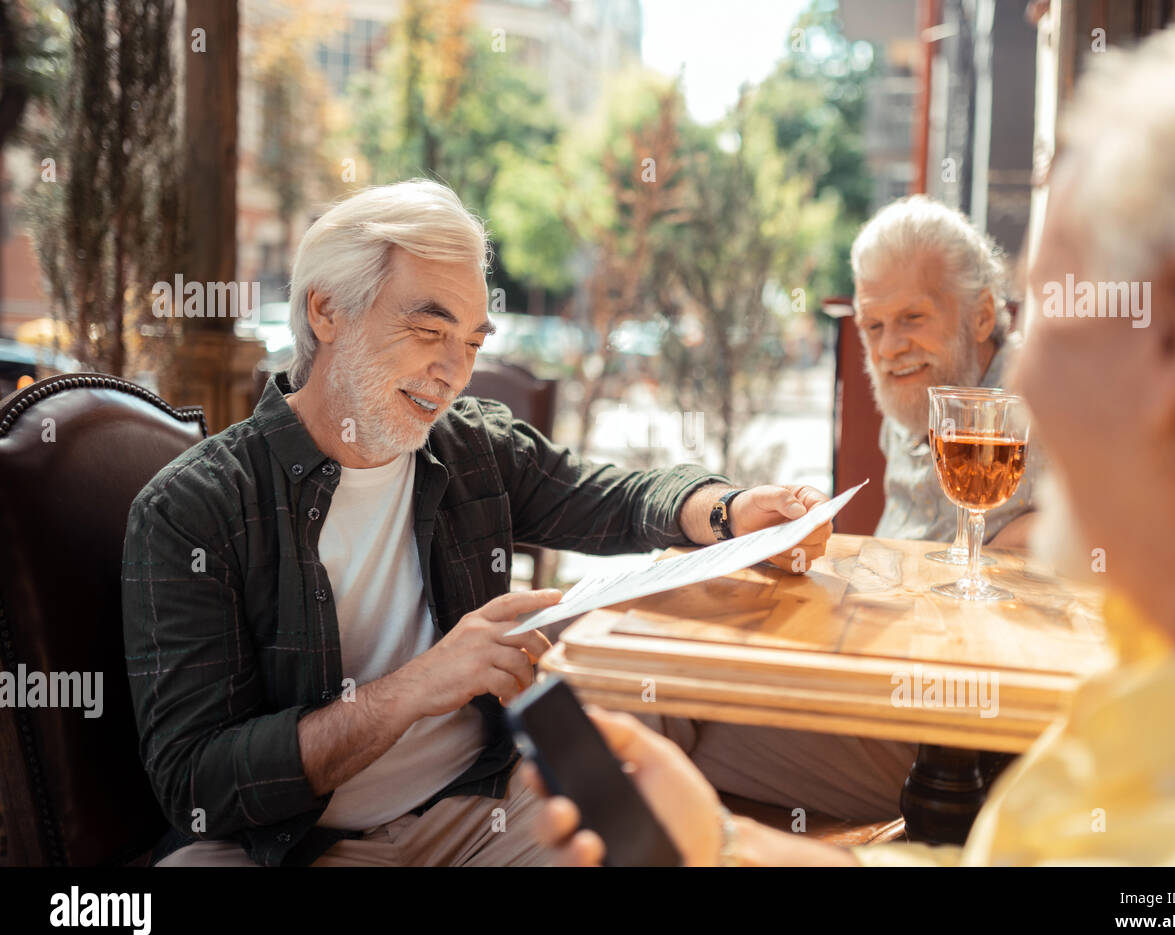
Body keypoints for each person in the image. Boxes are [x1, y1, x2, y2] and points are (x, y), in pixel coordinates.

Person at [527, 0, 1175, 865]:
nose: (1026, 372)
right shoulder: (1172, 683)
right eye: (873, 325)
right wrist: (724, 843)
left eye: (1049, 310)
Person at [121, 179, 831, 866]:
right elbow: (195, 786)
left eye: (471, 342)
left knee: (655, 843)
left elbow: (608, 496)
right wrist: (415, 688)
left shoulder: (467, 447)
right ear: (326, 311)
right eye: (429, 329)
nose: (452, 371)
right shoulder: (192, 510)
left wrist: (727, 510)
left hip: (482, 803)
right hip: (290, 843)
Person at [852, 194, 1041, 547]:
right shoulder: (911, 394)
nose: (890, 348)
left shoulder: (1046, 401)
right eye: (874, 326)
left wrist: (1031, 538)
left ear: (981, 316)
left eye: (913, 317)